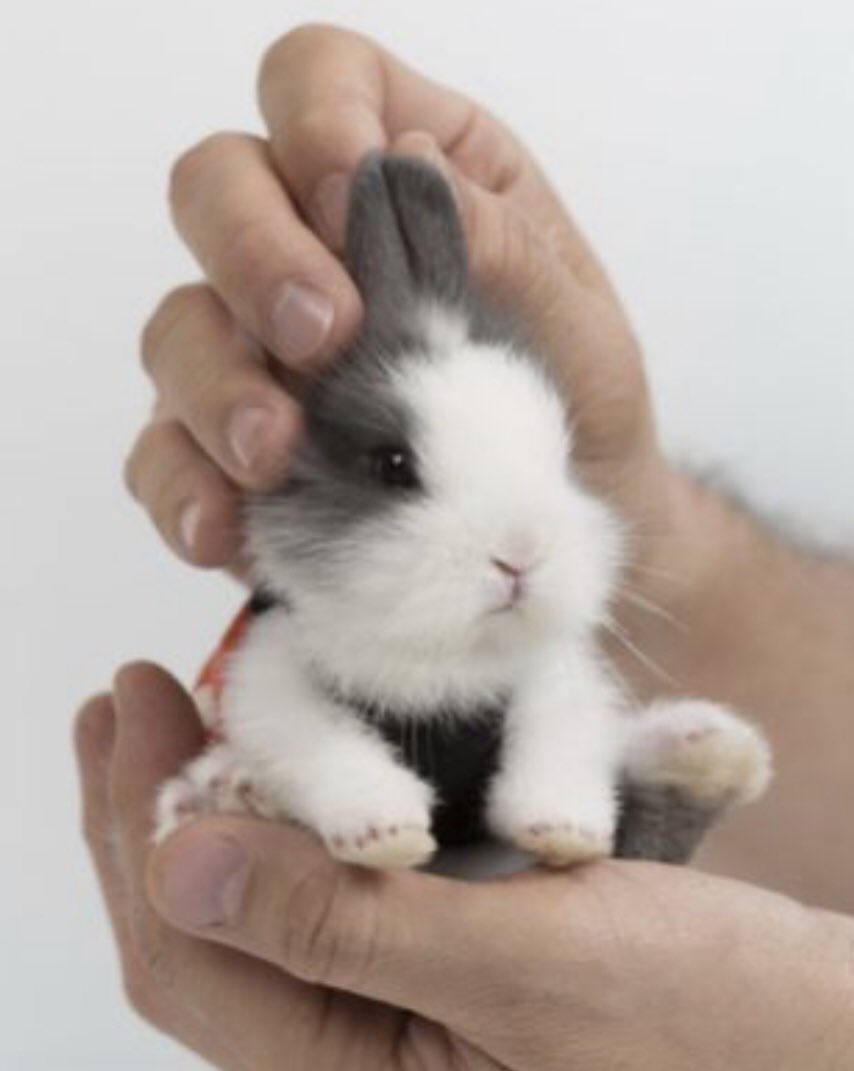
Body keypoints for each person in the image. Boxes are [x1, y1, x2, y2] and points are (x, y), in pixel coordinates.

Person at [77, 25, 854, 1069]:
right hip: (367, 835)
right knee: (283, 759)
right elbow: (282, 713)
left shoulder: (535, 640)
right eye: (401, 472)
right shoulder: (309, 643)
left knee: (567, 739)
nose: (519, 549)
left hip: (517, 859)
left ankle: (647, 795)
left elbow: (559, 711)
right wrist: (341, 794)